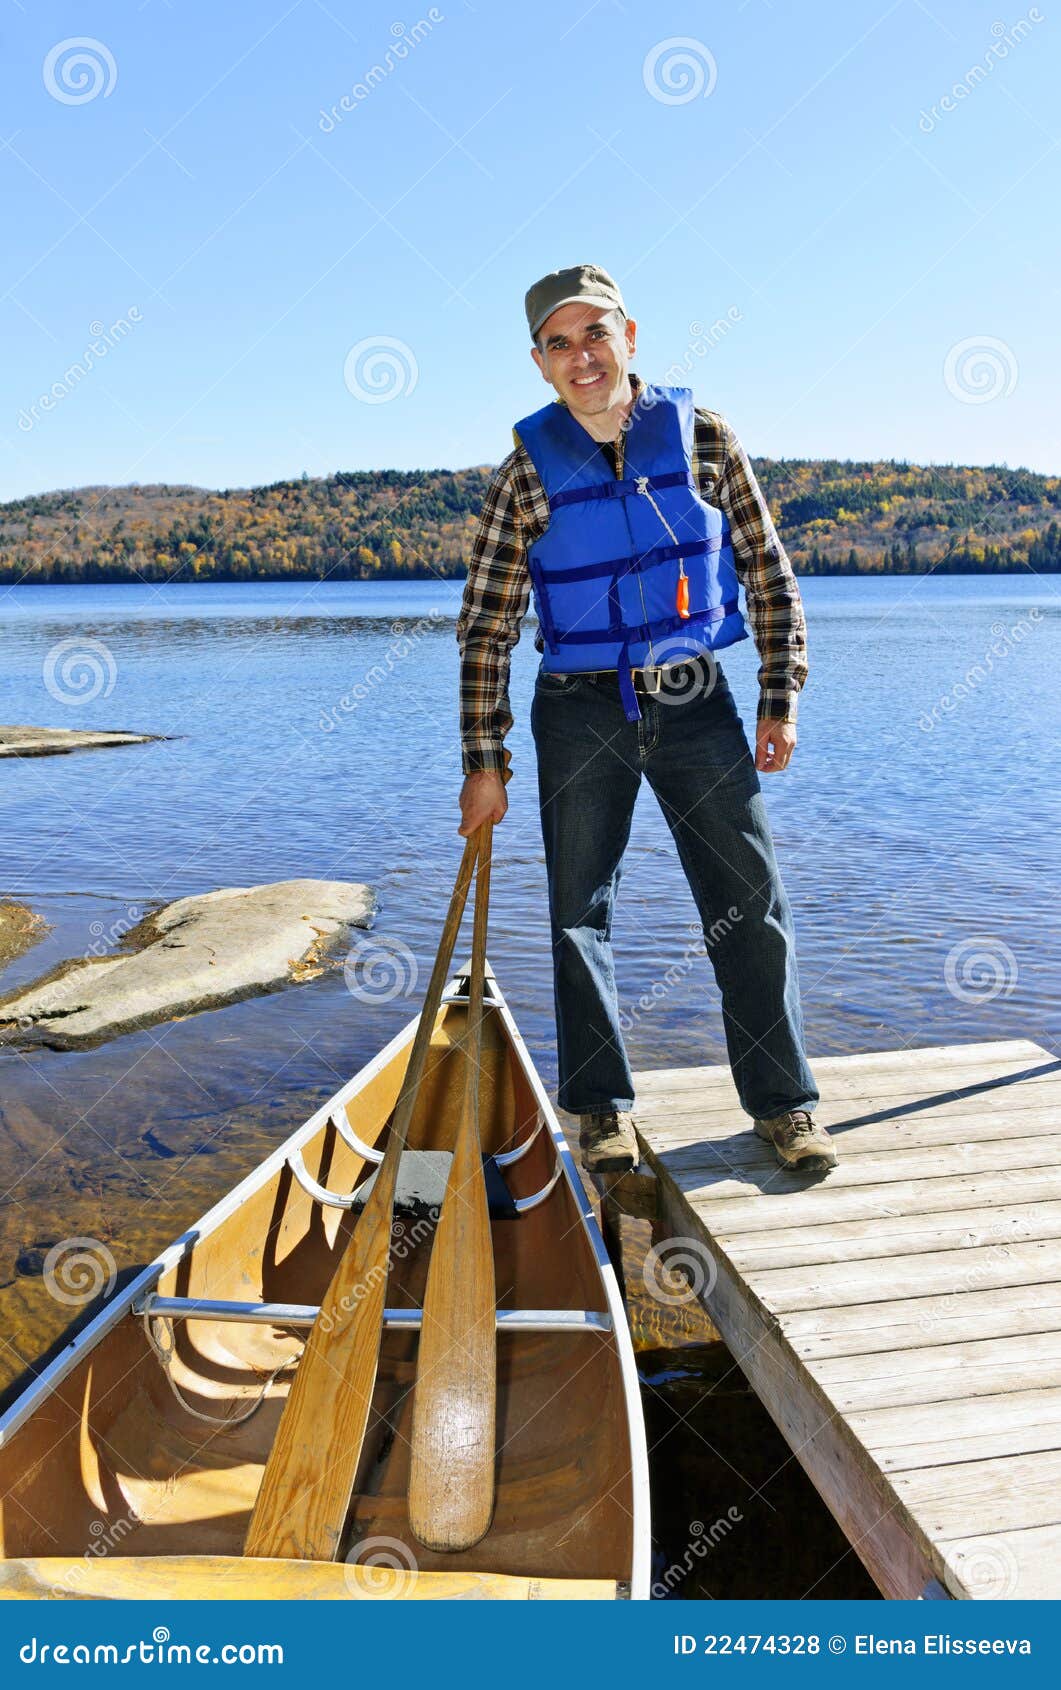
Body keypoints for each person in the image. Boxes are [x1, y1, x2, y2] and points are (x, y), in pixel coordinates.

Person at [456, 263, 836, 1177]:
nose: (581, 356)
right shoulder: (524, 473)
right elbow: (487, 623)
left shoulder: (703, 438)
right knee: (576, 914)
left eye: (596, 334)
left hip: (692, 698)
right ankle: (599, 1111)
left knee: (749, 905)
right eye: (559, 343)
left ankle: (783, 1106)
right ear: (539, 362)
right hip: (577, 710)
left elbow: (766, 572)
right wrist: (484, 758)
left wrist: (777, 694)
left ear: (630, 337)